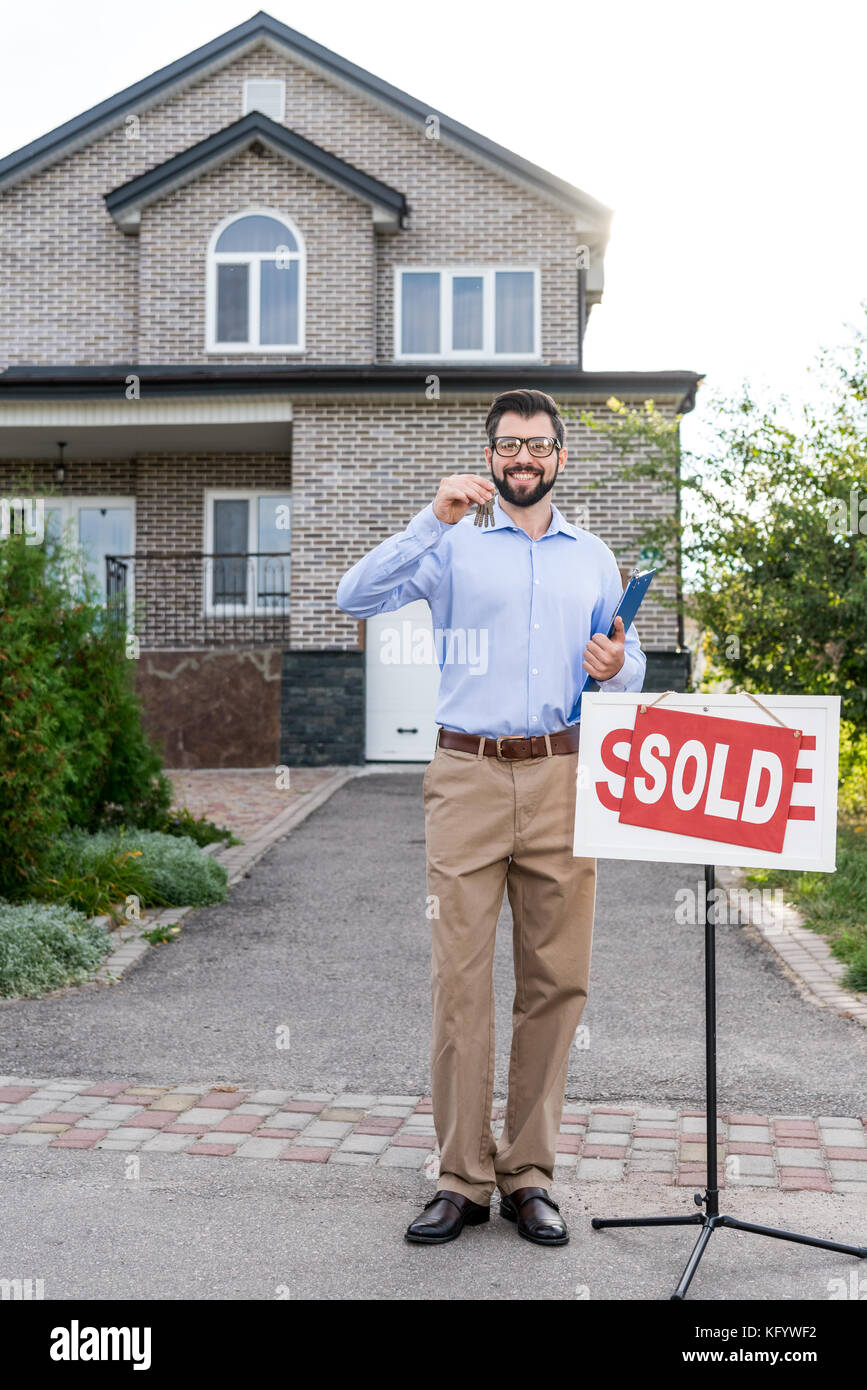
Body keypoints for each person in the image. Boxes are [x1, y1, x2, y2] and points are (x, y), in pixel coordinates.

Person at [335, 387, 646, 1247]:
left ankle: (530, 1174)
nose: (522, 458)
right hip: (466, 776)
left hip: (563, 773)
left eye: (537, 445)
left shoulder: (592, 555)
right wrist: (427, 519)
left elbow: (624, 663)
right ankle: (461, 1178)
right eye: (507, 444)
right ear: (489, 455)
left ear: (559, 457)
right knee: (459, 985)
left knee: (554, 985)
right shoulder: (451, 546)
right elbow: (352, 598)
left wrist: (618, 664)